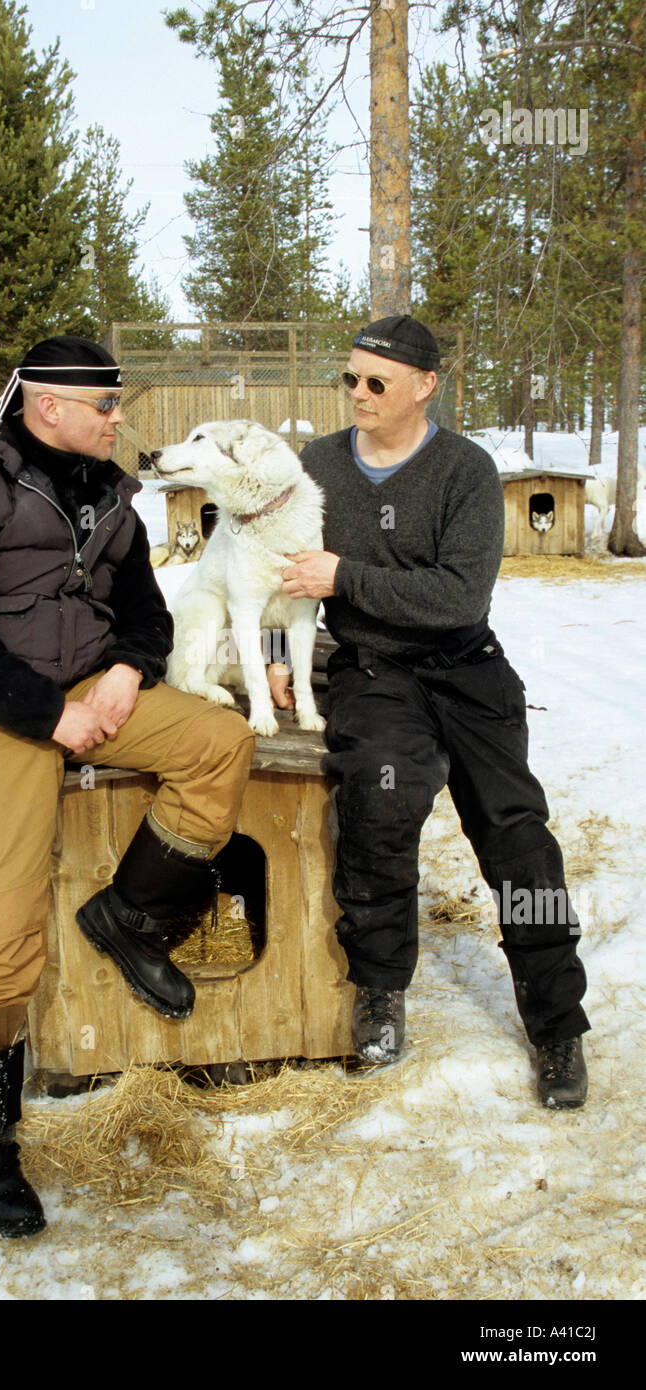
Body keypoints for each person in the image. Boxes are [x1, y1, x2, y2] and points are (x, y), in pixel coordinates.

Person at [0, 335, 255, 1237]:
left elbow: (145, 611)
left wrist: (131, 670)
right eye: (106, 405)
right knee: (4, 936)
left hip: (90, 689)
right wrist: (46, 716)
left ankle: (129, 917)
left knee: (220, 741)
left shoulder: (115, 501)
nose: (119, 417)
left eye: (118, 402)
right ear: (46, 407)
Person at [273, 315, 589, 1110]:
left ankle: (557, 1022)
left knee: (519, 837)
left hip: (467, 668)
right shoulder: (318, 466)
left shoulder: (465, 470)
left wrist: (347, 577)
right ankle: (380, 991)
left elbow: (458, 596)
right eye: (349, 378)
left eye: (377, 382)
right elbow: (286, 569)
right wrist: (280, 652)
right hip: (374, 671)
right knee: (383, 798)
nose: (359, 395)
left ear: (425, 386)